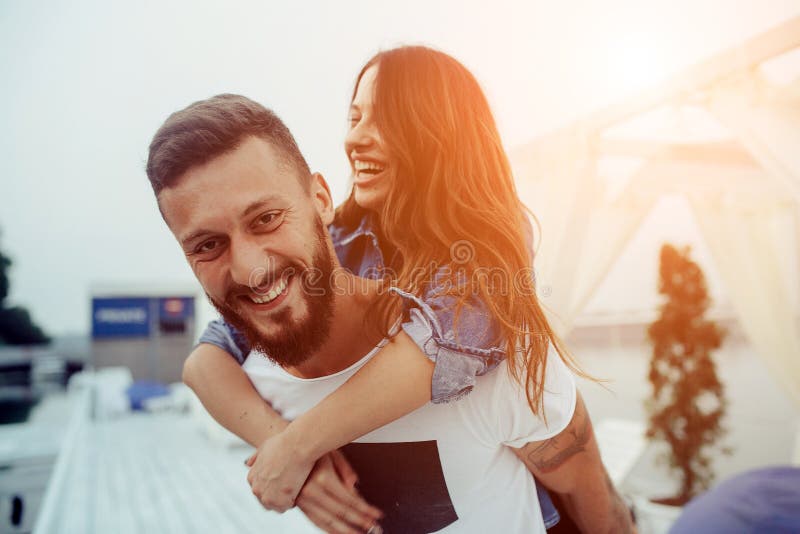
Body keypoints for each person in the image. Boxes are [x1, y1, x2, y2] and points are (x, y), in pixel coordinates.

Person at [146, 92, 635, 533]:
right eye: (208, 245)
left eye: (267, 219)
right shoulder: (246, 378)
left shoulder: (491, 352)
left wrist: (293, 449)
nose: (251, 269)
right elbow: (202, 363)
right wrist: (282, 446)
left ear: (321, 198)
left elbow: (598, 509)